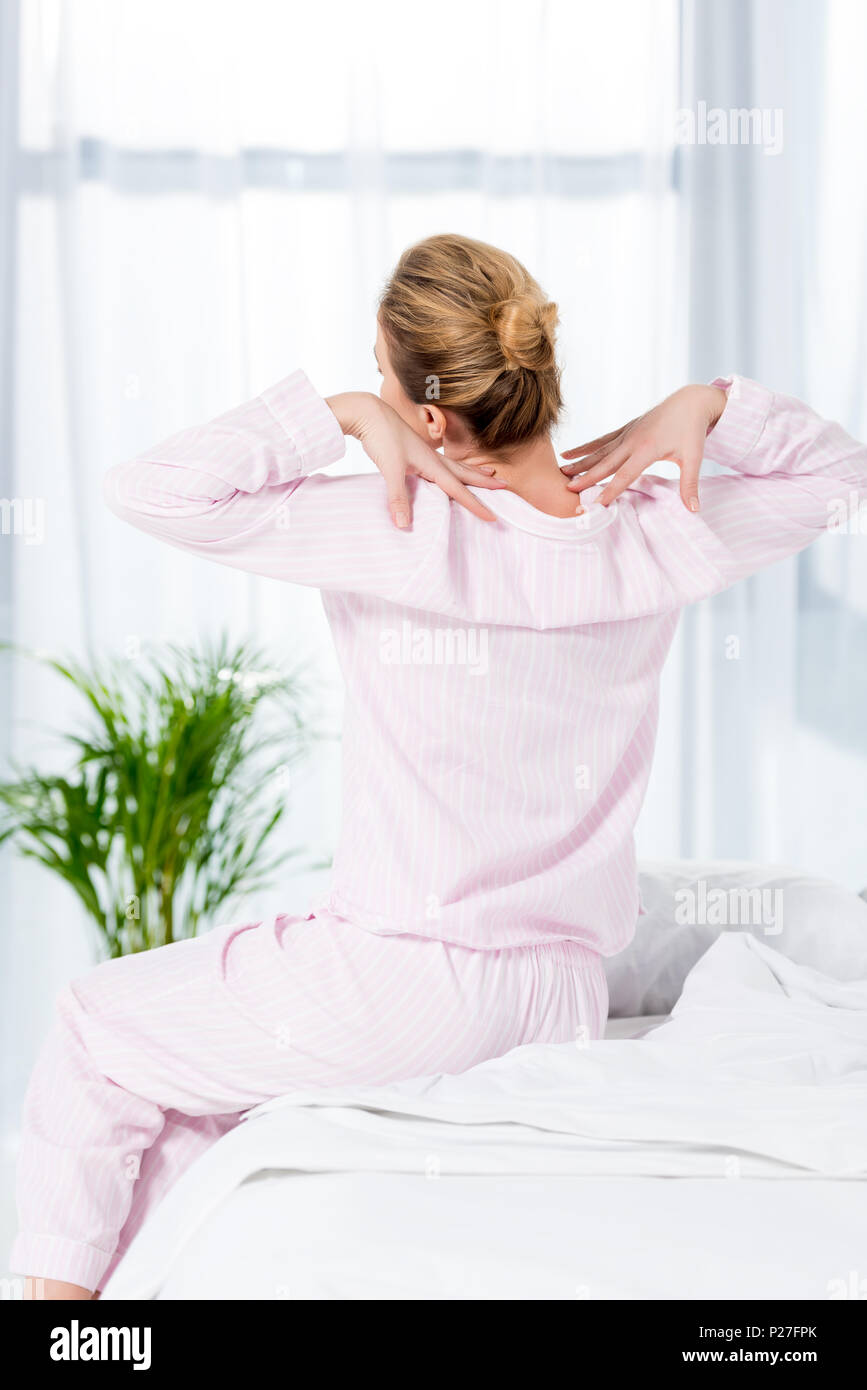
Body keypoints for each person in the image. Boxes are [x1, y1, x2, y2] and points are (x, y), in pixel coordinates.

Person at [13, 234, 867, 1298]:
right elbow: (841, 476)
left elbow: (150, 490)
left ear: (426, 417)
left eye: (379, 374)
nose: (372, 396)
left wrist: (333, 416)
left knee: (94, 1033)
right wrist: (709, 406)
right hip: (560, 997)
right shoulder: (653, 534)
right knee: (183, 1103)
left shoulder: (396, 522)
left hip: (405, 985)